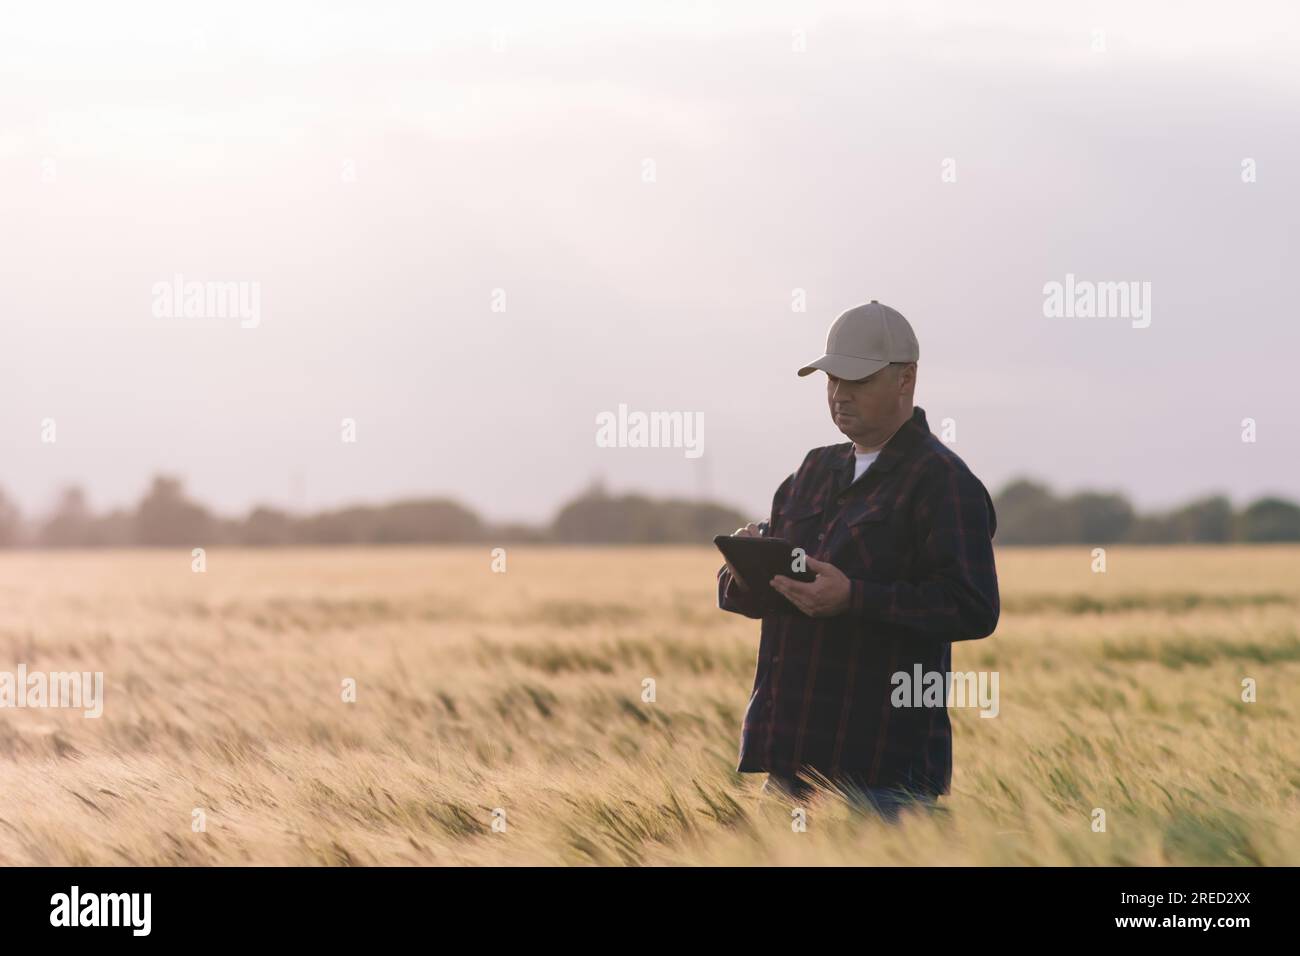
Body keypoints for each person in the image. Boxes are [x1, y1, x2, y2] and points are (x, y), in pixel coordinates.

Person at [717, 300, 1000, 820]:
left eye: (858, 379)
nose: (840, 393)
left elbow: (973, 606)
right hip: (789, 765)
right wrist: (744, 570)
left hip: (884, 778)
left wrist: (854, 598)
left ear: (905, 379)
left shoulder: (943, 482)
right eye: (831, 379)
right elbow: (771, 592)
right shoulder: (812, 470)